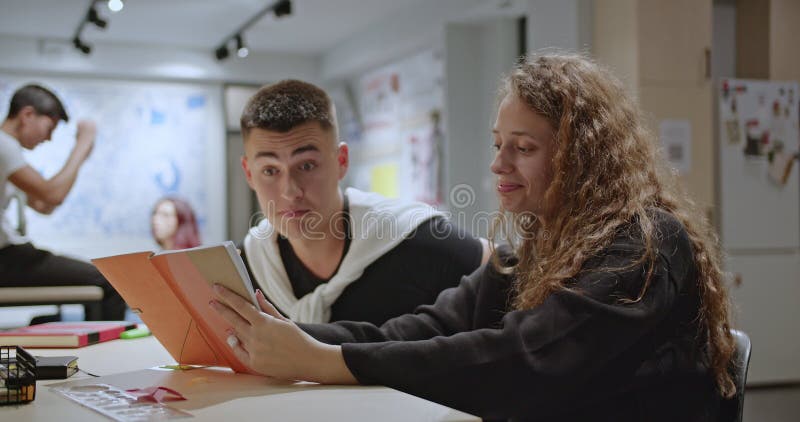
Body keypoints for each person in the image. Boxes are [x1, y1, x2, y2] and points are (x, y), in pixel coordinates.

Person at [210, 52, 737, 421]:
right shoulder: (540, 250)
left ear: (584, 157)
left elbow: (523, 360)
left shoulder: (644, 244)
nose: (498, 165)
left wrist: (324, 361)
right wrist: (292, 342)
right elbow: (423, 329)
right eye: (498, 144)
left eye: (523, 148)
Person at [237, 79, 489, 325]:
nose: (290, 191)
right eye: (270, 170)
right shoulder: (244, 268)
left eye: (306, 165)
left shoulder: (409, 235)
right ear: (249, 174)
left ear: (341, 161)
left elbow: (510, 269)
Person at [0, 84, 126, 321]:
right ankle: (106, 353)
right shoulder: (3, 146)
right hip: (7, 259)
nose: (48, 139)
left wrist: (79, 159)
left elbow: (43, 206)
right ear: (27, 115)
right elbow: (51, 194)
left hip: (11, 257)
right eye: (50, 128)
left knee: (103, 280)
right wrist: (81, 145)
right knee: (109, 282)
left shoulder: (6, 153)